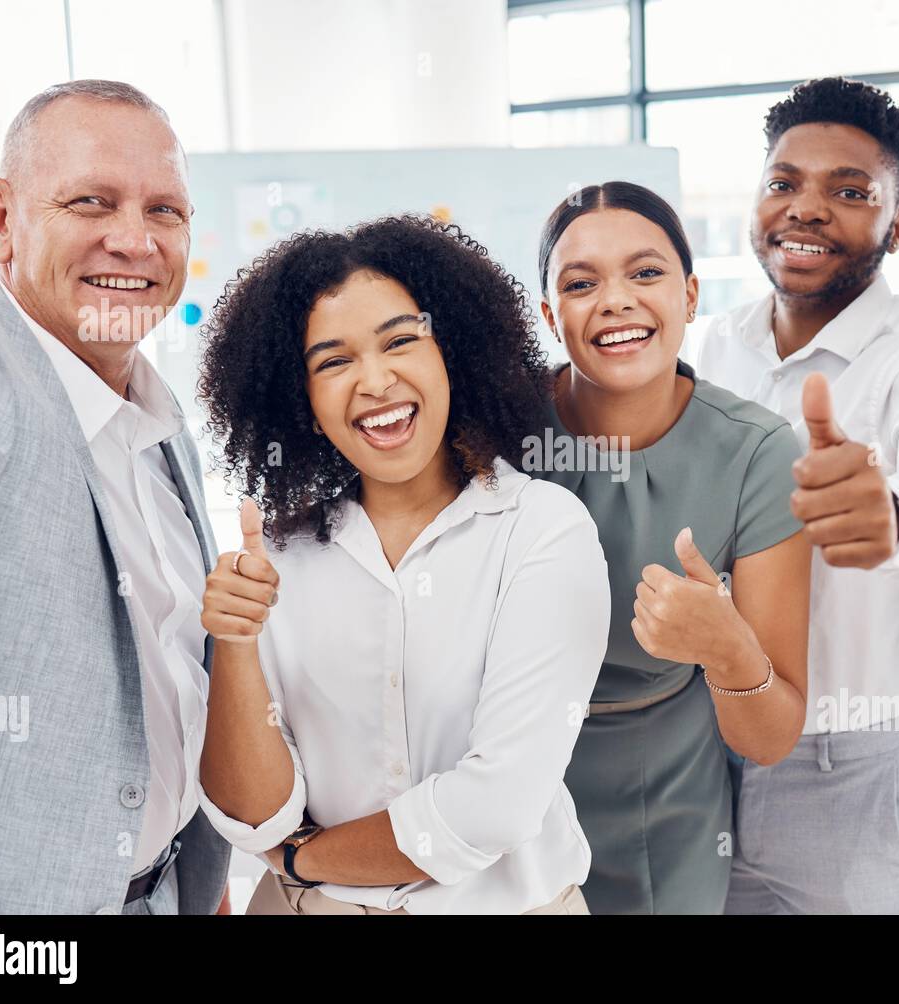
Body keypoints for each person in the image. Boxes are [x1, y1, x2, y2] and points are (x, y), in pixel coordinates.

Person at [196, 215, 610, 915]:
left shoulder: (541, 530)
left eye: (400, 342)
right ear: (301, 399)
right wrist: (235, 644)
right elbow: (255, 816)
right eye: (333, 361)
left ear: (454, 350)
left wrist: (306, 858)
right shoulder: (278, 558)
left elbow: (497, 806)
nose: (375, 380)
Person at [696, 77, 899, 914]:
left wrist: (894, 514)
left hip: (852, 775)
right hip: (697, 755)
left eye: (849, 192)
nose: (806, 208)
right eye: (784, 183)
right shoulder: (707, 348)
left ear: (896, 226)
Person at [0, 80, 229, 914]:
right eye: (91, 201)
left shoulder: (165, 429)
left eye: (164, 211)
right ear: (0, 221)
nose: (134, 240)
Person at [531, 180, 811, 914]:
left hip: (666, 807)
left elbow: (771, 734)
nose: (616, 299)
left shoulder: (757, 452)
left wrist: (728, 650)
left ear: (690, 296)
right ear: (547, 314)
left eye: (645, 272)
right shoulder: (490, 433)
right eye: (581, 282)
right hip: (504, 788)